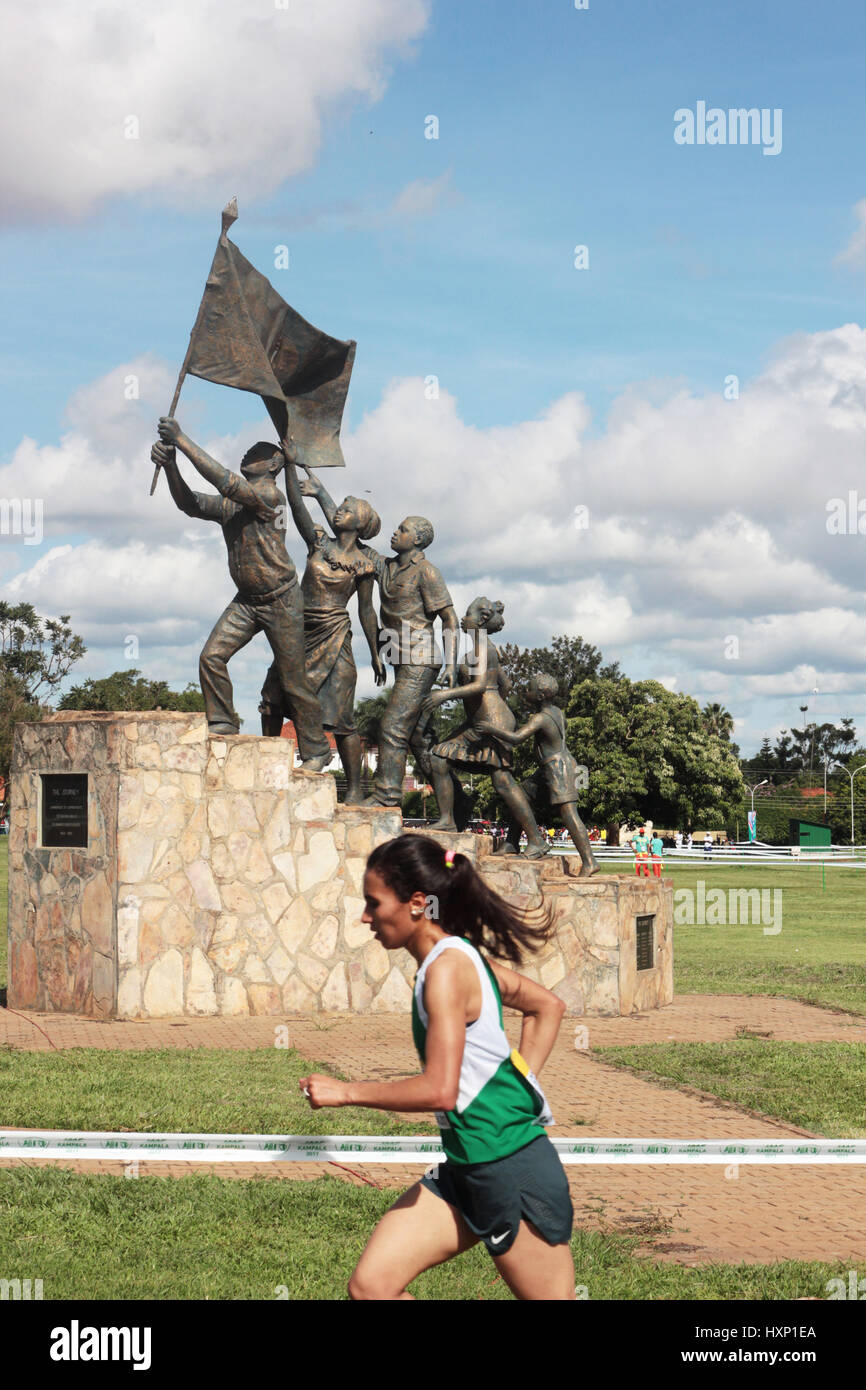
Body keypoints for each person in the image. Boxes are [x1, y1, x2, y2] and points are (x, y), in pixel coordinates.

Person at [300, 834, 575, 1301]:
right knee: (372, 1288)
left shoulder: (448, 970)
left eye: (373, 903)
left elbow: (440, 1090)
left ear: (415, 903)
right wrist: (511, 1083)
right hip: (465, 1169)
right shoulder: (457, 958)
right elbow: (547, 1006)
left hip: (509, 1167)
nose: (365, 917)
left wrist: (345, 1092)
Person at [152, 421, 330, 767]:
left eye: (257, 453)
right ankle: (222, 722)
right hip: (247, 601)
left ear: (275, 464)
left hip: (281, 599)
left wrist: (181, 440)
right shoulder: (232, 504)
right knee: (211, 657)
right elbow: (189, 503)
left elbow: (226, 481)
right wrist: (171, 465)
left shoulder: (271, 497)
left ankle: (317, 751)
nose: (247, 455)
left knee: (294, 682)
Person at [259, 458, 385, 802]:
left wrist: (376, 653)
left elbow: (366, 610)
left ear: (360, 523)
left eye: (348, 508)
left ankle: (355, 792)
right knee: (272, 698)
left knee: (342, 720)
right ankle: (266, 765)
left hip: (336, 637)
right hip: (300, 631)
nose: (340, 509)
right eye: (340, 505)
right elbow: (296, 505)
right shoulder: (318, 542)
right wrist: (289, 465)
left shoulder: (364, 565)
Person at [420, 598, 549, 858]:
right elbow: (506, 685)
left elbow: (480, 686)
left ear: (480, 620)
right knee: (440, 760)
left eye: (467, 614)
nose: (462, 619)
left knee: (501, 781)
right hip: (488, 718)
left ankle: (536, 840)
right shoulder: (488, 648)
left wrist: (444, 696)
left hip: (490, 722)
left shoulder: (481, 647)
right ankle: (448, 819)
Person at [363, 518, 459, 807]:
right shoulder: (386, 566)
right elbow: (350, 538)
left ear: (417, 540)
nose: (395, 532)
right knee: (418, 737)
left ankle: (387, 795)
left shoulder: (427, 572)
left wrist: (451, 665)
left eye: (403, 530)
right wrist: (319, 496)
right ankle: (458, 803)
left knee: (392, 726)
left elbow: (449, 619)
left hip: (421, 658)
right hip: (399, 657)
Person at [476, 673, 598, 877]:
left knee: (569, 814)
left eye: (529, 689)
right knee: (521, 797)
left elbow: (517, 738)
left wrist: (491, 729)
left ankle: (589, 861)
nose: (525, 692)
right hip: (555, 766)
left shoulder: (540, 718)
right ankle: (512, 842)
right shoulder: (557, 712)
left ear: (540, 696)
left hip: (557, 767)